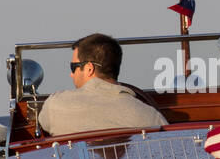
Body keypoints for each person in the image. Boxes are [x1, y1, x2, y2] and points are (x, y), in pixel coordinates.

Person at [38, 33, 166, 136]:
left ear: (89, 68)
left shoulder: (55, 105)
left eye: (73, 67)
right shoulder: (150, 117)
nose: (71, 74)